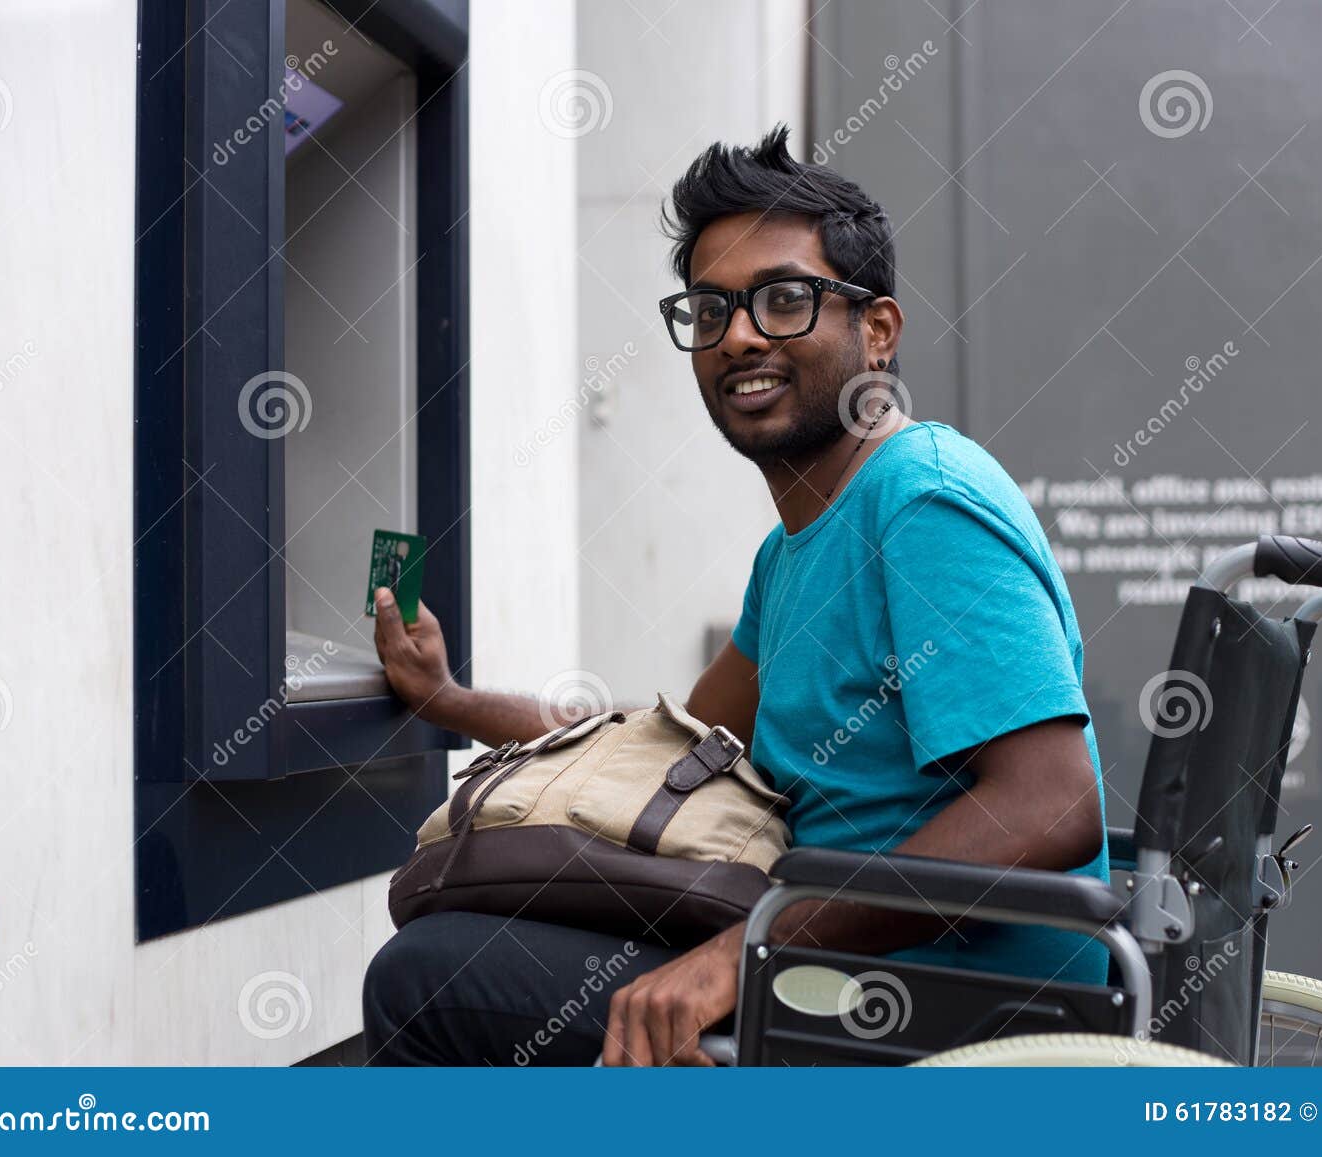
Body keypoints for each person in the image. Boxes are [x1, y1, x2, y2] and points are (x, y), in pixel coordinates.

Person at [362, 126, 1108, 1066]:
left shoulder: (922, 498)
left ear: (876, 330)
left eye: (785, 299)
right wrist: (449, 701)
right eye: (710, 310)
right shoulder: (794, 549)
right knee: (484, 924)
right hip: (847, 969)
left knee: (430, 975)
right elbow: (657, 745)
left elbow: (1049, 803)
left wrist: (737, 953)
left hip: (965, 1018)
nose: (741, 333)